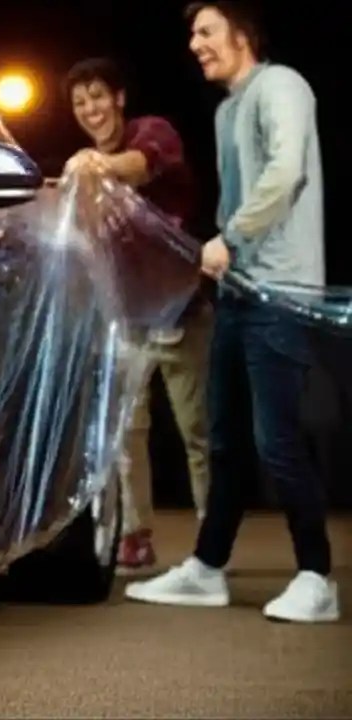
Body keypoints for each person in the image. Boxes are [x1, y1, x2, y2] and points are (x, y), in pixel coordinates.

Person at [124, 0, 339, 623]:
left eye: (206, 31)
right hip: (240, 295)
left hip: (282, 293)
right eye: (193, 33)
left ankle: (317, 576)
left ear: (242, 34)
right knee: (225, 443)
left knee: (278, 441)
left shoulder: (281, 85)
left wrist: (231, 238)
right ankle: (207, 568)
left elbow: (286, 173)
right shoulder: (226, 111)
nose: (195, 43)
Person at [61, 56, 211, 574]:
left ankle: (213, 537)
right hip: (126, 317)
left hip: (182, 310)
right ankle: (135, 534)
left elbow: (140, 166)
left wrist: (91, 166)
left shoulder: (151, 133)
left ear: (119, 98)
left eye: (98, 97)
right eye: (80, 103)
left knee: (198, 429)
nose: (91, 110)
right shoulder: (84, 172)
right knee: (125, 430)